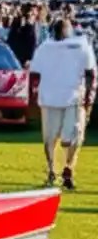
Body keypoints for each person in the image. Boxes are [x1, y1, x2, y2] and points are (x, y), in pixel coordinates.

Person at [30, 18, 96, 190]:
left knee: (71, 138)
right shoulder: (45, 48)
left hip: (73, 99)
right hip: (51, 98)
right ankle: (53, 170)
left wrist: (89, 96)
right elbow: (35, 74)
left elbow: (91, 73)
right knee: (50, 139)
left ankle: (68, 168)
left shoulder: (80, 46)